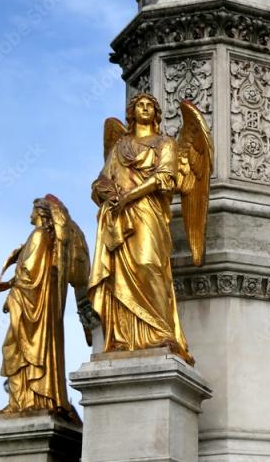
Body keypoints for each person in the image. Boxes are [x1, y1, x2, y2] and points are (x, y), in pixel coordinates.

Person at [89, 93, 195, 364]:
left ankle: (161, 331)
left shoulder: (166, 143)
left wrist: (130, 195)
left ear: (156, 113)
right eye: (140, 106)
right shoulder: (120, 146)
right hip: (121, 215)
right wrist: (108, 192)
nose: (145, 109)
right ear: (132, 113)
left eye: (150, 106)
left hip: (148, 212)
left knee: (149, 264)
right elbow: (101, 180)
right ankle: (125, 337)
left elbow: (165, 178)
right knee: (121, 275)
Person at [0, 195, 88, 421]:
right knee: (16, 350)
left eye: (33, 210)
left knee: (14, 349)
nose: (30, 215)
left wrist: (10, 291)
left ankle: (26, 401)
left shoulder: (37, 236)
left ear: (41, 213)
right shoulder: (44, 237)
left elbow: (29, 274)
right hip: (33, 302)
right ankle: (23, 401)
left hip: (29, 304)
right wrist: (9, 284)